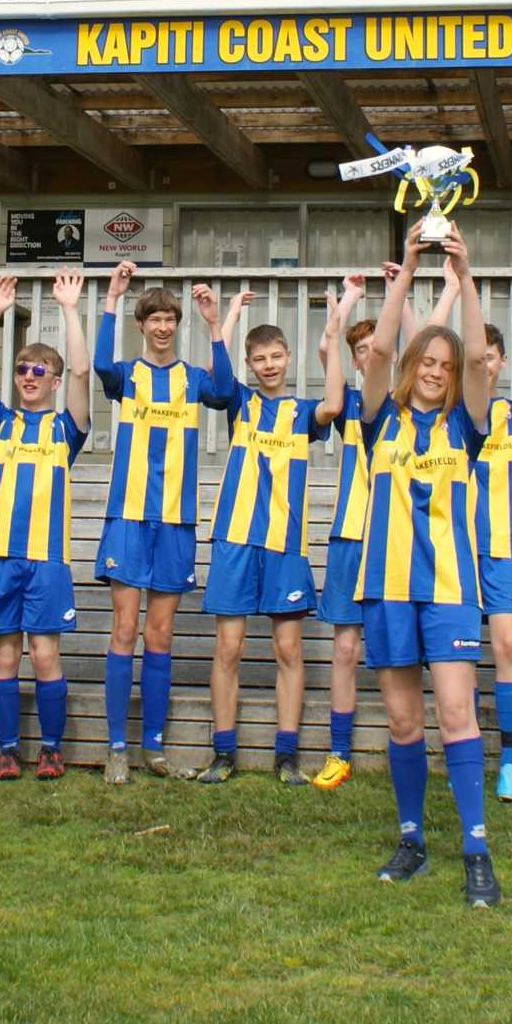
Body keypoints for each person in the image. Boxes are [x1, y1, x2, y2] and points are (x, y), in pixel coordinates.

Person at [357, 223, 500, 908]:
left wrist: (465, 277)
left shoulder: (465, 425)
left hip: (447, 590)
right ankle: (411, 837)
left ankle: (476, 848)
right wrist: (409, 269)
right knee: (404, 721)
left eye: (445, 365)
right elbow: (380, 346)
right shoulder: (378, 418)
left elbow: (478, 357)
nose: (438, 370)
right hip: (385, 588)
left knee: (455, 713)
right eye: (429, 362)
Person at [91, 262, 238, 782]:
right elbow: (99, 364)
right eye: (153, 318)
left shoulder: (192, 380)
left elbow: (226, 392)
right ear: (141, 325)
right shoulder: (128, 376)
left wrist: (214, 325)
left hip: (175, 521)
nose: (161, 326)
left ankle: (152, 747)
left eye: (169, 319)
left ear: (176, 325)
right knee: (125, 630)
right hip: (129, 518)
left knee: (159, 635)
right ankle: (115, 748)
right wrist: (111, 299)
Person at [429, 277, 512, 802]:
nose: (483, 365)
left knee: (508, 644)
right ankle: (465, 749)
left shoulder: (509, 415)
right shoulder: (446, 418)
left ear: (501, 362)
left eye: (490, 357)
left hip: (502, 550)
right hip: (450, 553)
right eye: (473, 359)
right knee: (457, 656)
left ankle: (509, 759)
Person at [0, 271, 91, 781]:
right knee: (4, 656)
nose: (29, 376)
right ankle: (9, 750)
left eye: (39, 370)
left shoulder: (65, 427)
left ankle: (52, 749)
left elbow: (82, 371)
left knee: (43, 656)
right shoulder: (0, 424)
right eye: (22, 370)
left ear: (53, 380)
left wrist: (69, 308)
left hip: (47, 559)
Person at [195, 288, 325, 785]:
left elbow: (334, 405)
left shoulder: (304, 411)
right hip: (234, 539)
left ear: (287, 358)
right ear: (250, 364)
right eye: (260, 359)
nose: (268, 365)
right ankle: (223, 753)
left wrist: (332, 333)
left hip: (285, 545)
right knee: (227, 650)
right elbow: (220, 380)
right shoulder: (240, 401)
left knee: (288, 652)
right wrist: (217, 322)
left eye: (275, 356)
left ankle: (286, 755)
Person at [310, 280, 388, 791]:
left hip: (396, 539)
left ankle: (417, 744)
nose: (367, 356)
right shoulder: (349, 404)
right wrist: (345, 306)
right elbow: (324, 349)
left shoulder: (410, 402)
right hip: (349, 535)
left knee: (400, 649)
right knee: (344, 649)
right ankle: (339, 752)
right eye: (359, 351)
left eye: (374, 348)